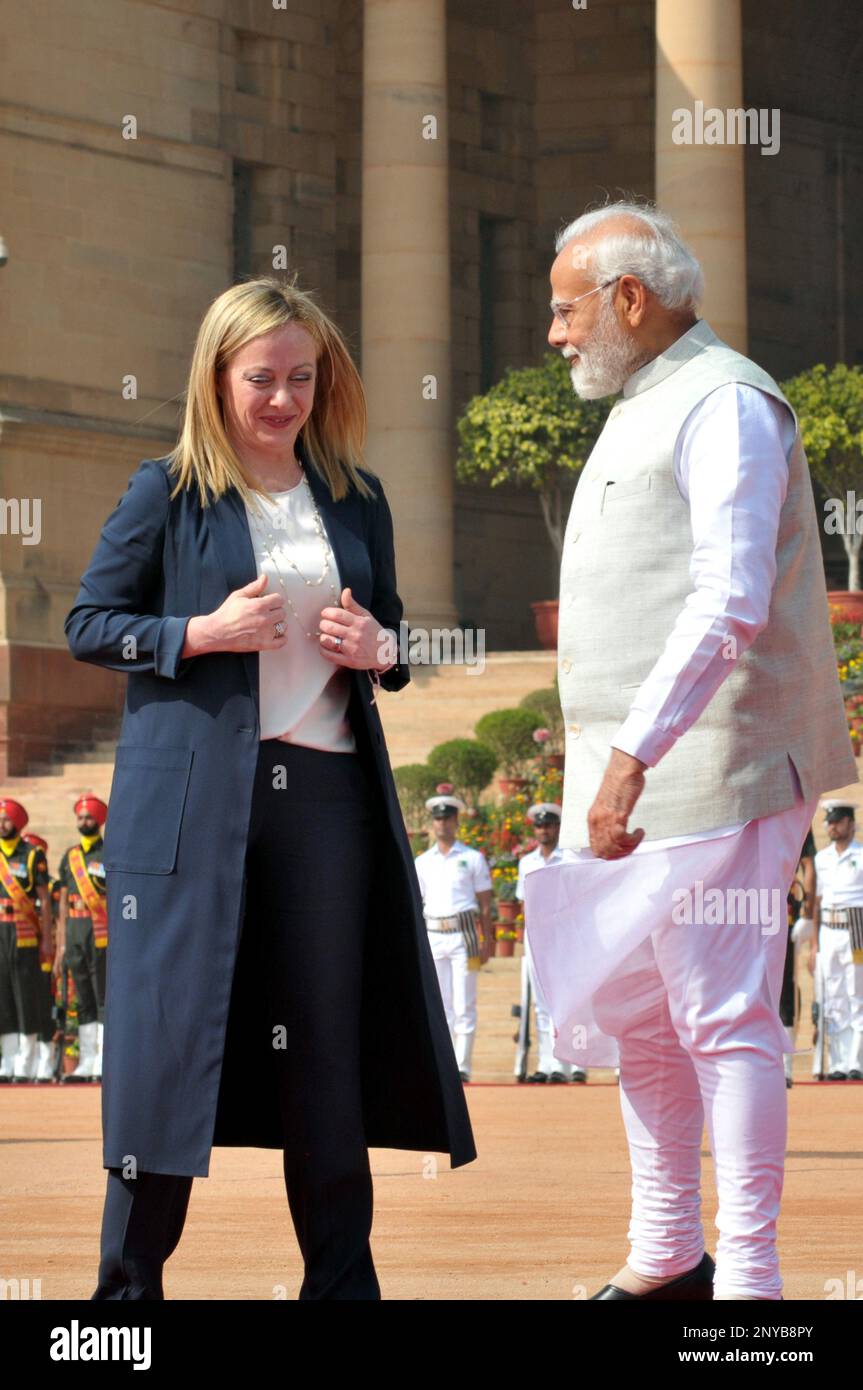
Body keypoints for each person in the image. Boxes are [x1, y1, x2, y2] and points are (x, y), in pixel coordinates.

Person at [64, 275, 476, 1301]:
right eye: (261, 379)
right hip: (195, 805)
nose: (283, 399)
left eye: (302, 377)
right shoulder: (166, 491)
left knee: (324, 1050)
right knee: (164, 1049)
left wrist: (381, 648)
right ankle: (124, 1299)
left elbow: (390, 634)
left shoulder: (355, 496)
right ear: (216, 375)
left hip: (325, 800)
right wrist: (196, 634)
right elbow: (88, 624)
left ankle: (340, 1287)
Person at [528, 200, 857, 1302]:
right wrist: (609, 764)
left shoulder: (724, 402)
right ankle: (668, 1252)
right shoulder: (646, 401)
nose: (554, 333)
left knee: (720, 1019)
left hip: (718, 763)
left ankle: (749, 1284)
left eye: (565, 308)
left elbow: (728, 598)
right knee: (640, 1021)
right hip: (634, 773)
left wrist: (630, 757)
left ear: (631, 297)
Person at [414, 795, 493, 1082]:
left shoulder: (472, 858)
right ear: (432, 823)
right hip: (434, 933)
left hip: (466, 936)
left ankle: (463, 1065)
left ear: (456, 822)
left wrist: (488, 940)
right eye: (438, 818)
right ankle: (446, 1063)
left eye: (447, 818)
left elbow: (485, 904)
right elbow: (416, 903)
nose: (442, 823)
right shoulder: (422, 862)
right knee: (441, 1003)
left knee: (464, 1003)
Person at [515, 803, 584, 1083]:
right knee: (542, 1006)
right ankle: (547, 1062)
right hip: (536, 938)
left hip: (564, 936)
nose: (544, 830)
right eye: (540, 826)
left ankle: (573, 1063)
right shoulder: (526, 862)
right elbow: (523, 905)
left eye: (550, 825)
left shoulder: (568, 859)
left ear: (558, 827)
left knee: (569, 1003)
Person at [55, 796, 109, 1084]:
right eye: (80, 818)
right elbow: (62, 903)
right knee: (83, 996)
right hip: (75, 929)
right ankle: (87, 1058)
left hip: (99, 930)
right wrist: (61, 943)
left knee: (101, 994)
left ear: (98, 821)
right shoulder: (70, 857)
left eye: (88, 818)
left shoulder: (109, 852)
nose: (83, 822)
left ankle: (102, 1057)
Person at [0, 799, 52, 1082]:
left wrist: (47, 937)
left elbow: (44, 900)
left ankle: (27, 1060)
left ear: (18, 824)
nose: (2, 824)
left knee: (24, 996)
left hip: (23, 934)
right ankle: (7, 1061)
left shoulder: (32, 855)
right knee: (2, 996)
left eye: (6, 819)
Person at [811, 800, 863, 1080]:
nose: (832, 826)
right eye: (829, 822)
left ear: (850, 824)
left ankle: (857, 1060)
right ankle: (838, 1063)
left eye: (837, 821)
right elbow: (817, 902)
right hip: (829, 929)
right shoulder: (822, 859)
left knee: (858, 992)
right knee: (833, 994)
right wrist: (816, 944)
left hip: (857, 928)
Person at [782, 823, 816, 1087]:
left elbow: (808, 865)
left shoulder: (795, 806)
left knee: (784, 989)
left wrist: (806, 914)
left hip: (784, 912)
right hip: (744, 908)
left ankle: (784, 1066)